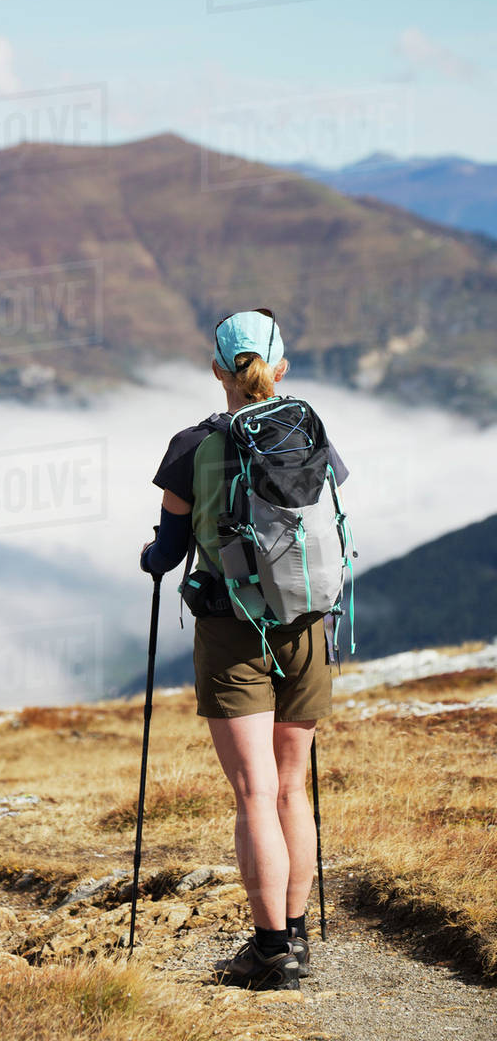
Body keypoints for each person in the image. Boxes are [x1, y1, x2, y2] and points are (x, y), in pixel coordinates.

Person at [139, 308, 349, 992]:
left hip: (233, 632)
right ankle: (295, 936)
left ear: (216, 370)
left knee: (254, 792)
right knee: (291, 788)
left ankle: (269, 954)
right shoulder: (307, 430)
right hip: (306, 625)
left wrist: (152, 555)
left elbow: (169, 552)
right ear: (279, 368)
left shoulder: (190, 446)